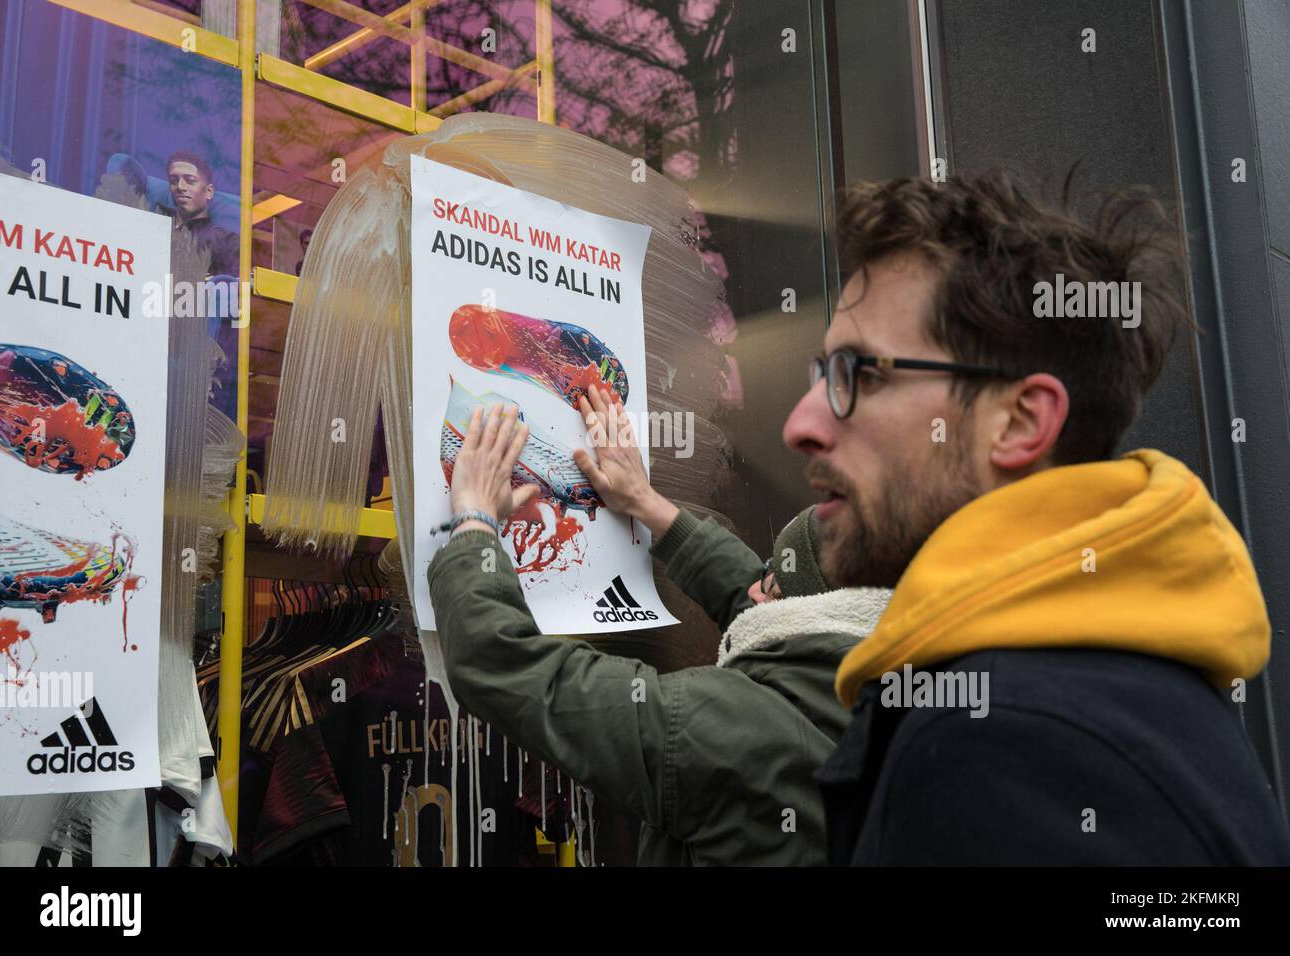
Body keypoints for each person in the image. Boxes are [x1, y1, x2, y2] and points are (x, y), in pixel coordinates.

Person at [781, 171, 1290, 864]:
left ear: (1022, 421)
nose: (800, 424)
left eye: (859, 375)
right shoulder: (1096, 684)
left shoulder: (1005, 744)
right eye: (822, 375)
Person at [427, 389, 891, 865]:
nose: (754, 589)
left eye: (771, 584)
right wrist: (646, 503)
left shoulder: (714, 728)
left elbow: (497, 660)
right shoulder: (895, 692)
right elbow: (770, 612)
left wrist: (474, 519)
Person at [161, 150, 239, 279]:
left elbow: (234, 286)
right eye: (174, 181)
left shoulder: (226, 242)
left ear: (209, 191)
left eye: (190, 181)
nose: (180, 186)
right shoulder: (155, 225)